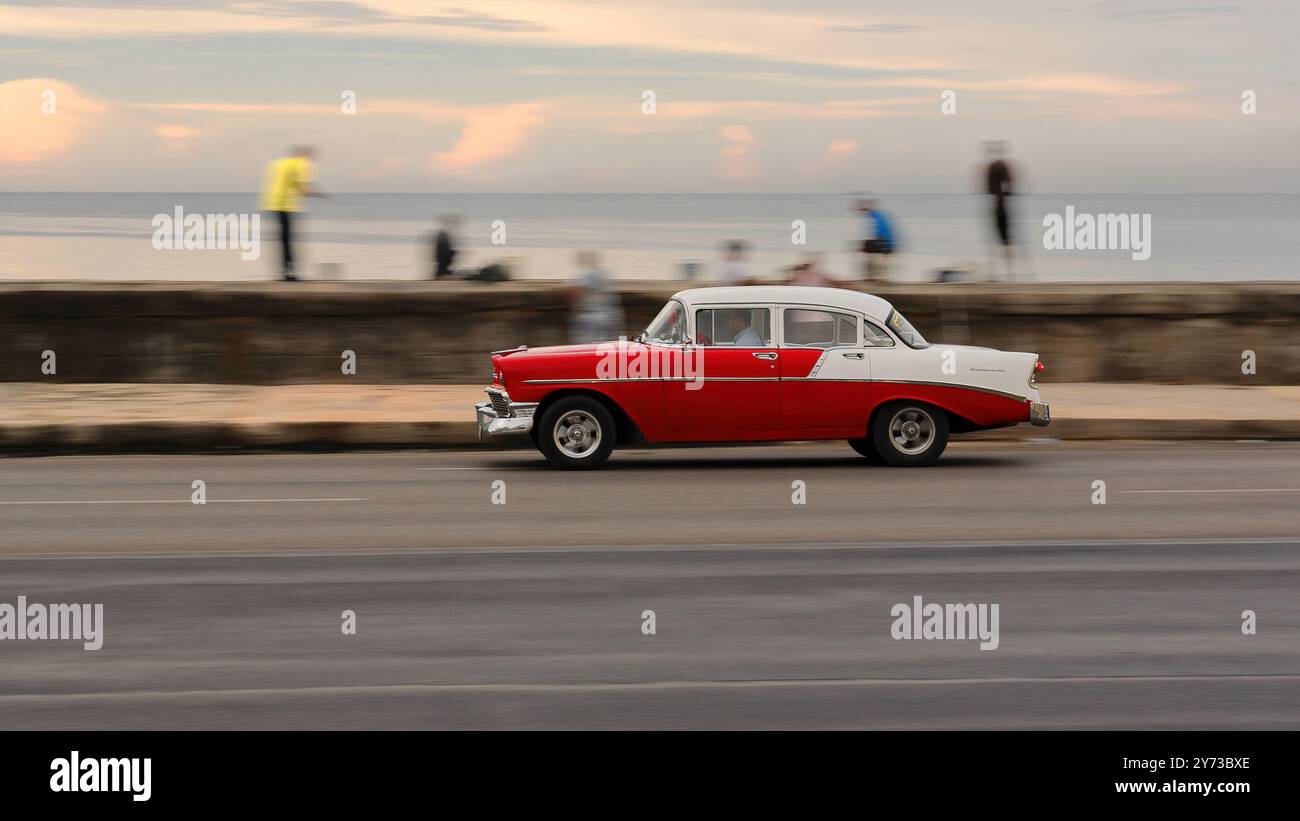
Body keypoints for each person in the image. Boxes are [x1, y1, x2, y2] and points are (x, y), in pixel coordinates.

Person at [259, 146, 323, 281]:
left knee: (283, 240)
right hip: (286, 204)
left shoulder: (279, 163)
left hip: (272, 203)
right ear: (306, 154)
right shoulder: (303, 164)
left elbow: (284, 182)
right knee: (288, 240)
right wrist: (317, 194)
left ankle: (285, 272)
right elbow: (303, 188)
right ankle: (289, 273)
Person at [570, 250, 624, 343]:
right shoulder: (605, 273)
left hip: (591, 317)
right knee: (608, 345)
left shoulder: (585, 274)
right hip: (609, 315)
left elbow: (577, 291)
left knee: (587, 346)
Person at [983, 141, 1017, 280]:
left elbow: (989, 188)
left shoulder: (993, 167)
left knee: (1002, 240)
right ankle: (1007, 271)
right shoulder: (996, 167)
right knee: (1004, 241)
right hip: (1001, 207)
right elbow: (1009, 185)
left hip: (999, 208)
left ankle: (1006, 271)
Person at [856, 198, 897, 280]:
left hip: (885, 245)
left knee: (865, 247)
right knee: (866, 247)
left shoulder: (876, 216)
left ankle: (870, 275)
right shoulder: (879, 216)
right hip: (887, 244)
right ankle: (875, 274)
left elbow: (880, 233)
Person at [432, 215, 460, 279]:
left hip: (442, 261)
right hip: (442, 261)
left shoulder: (444, 235)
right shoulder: (443, 235)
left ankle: (442, 272)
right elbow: (442, 252)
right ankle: (442, 272)